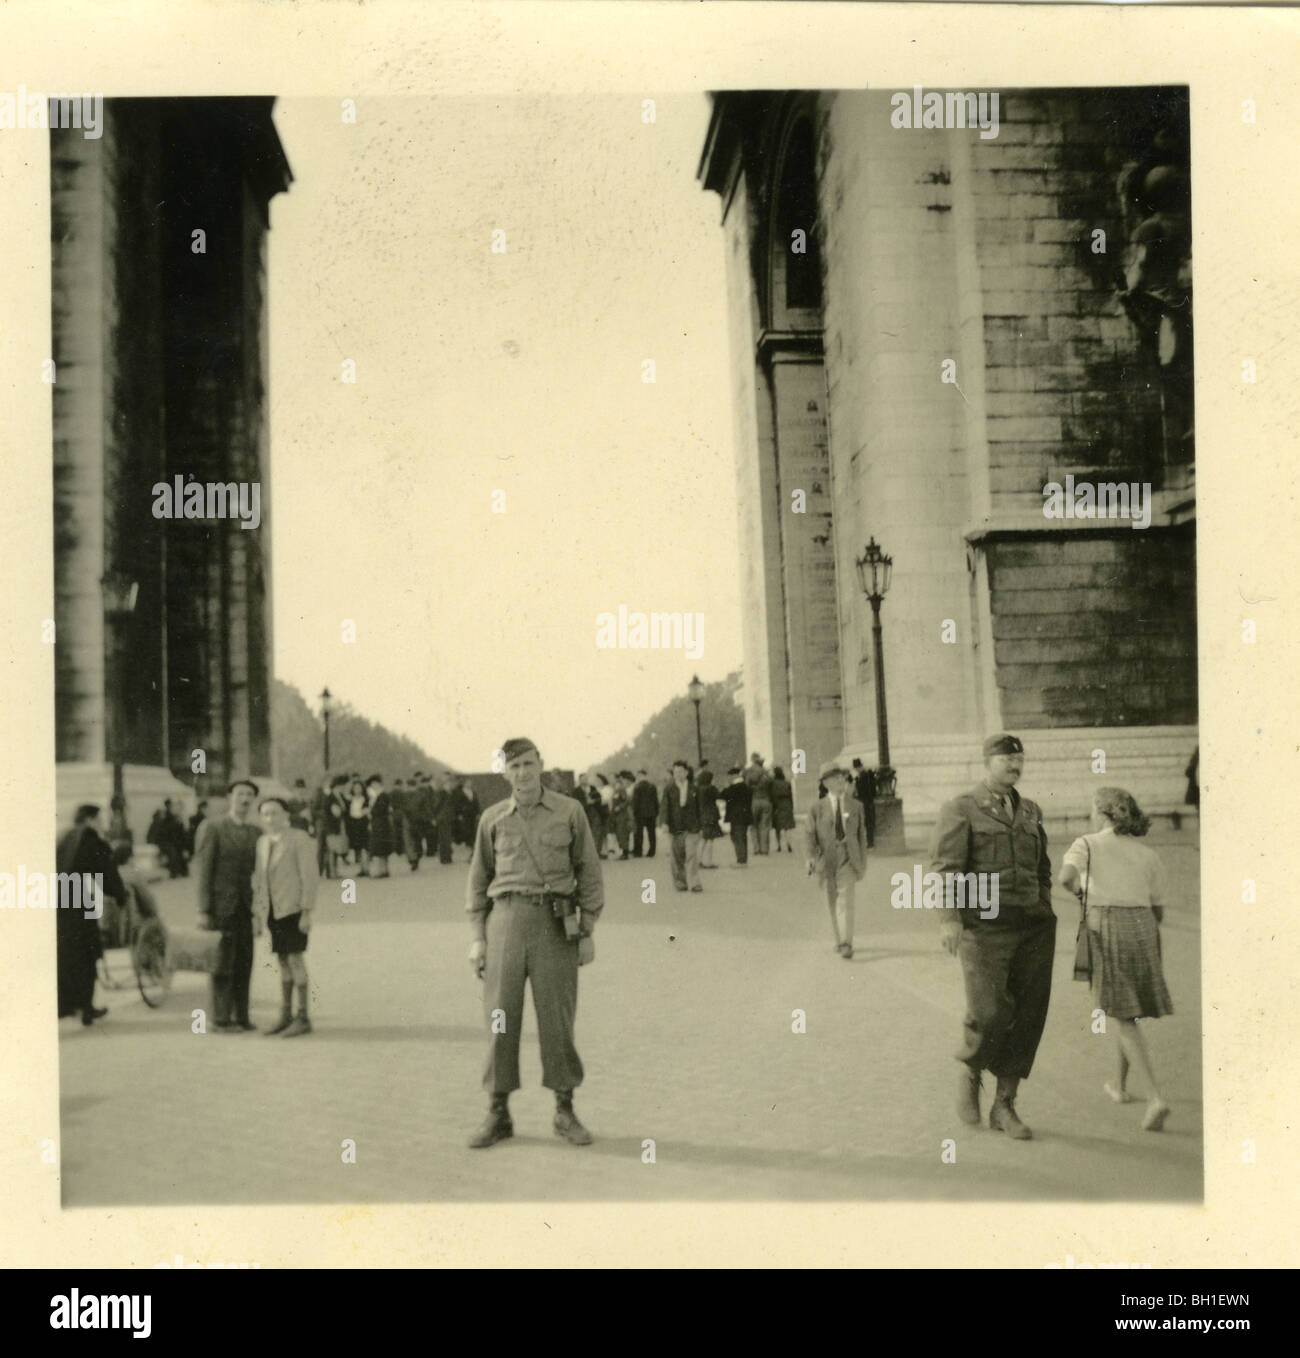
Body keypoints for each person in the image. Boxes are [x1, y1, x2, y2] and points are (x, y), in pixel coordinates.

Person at [466, 738, 603, 1148]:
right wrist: (477, 938)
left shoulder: (569, 811)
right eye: (514, 767)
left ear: (541, 764)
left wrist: (587, 929)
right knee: (500, 1019)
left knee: (557, 1020)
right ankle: (498, 1112)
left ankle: (564, 1110)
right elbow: (477, 882)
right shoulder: (492, 818)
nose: (522, 773)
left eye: (528, 764)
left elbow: (589, 872)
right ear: (504, 773)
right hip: (504, 921)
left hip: (554, 923)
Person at [929, 734, 1055, 1140]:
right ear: (987, 762)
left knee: (1028, 1016)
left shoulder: (1031, 810)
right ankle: (971, 1069)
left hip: (1033, 926)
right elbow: (946, 867)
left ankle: (1005, 1105)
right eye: (1006, 760)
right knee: (990, 1011)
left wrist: (1045, 903)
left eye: (1019, 760)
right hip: (985, 926)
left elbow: (1043, 868)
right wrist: (950, 919)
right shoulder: (962, 808)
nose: (1014, 766)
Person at [1060, 787, 1173, 1131]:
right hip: (1144, 926)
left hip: (1106, 923)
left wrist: (1084, 893)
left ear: (1103, 814)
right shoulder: (1146, 853)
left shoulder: (1087, 843)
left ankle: (1156, 1097)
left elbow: (1065, 878)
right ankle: (1119, 1085)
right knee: (1128, 1009)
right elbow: (1159, 909)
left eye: (1093, 810)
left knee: (1122, 1014)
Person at [194, 778, 264, 1032]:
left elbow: (260, 875)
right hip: (220, 907)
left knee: (245, 961)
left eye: (249, 795)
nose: (244, 799)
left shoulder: (257, 833)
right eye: (239, 794)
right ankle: (219, 1019)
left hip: (246, 907)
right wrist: (203, 909)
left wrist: (259, 911)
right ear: (229, 797)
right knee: (222, 963)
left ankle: (242, 1017)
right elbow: (204, 871)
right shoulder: (213, 827)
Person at [253, 796, 319, 1037]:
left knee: (295, 960)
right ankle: (285, 1015)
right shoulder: (262, 842)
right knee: (282, 961)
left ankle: (303, 1017)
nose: (270, 818)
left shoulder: (299, 839)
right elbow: (259, 880)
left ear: (285, 815)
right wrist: (258, 913)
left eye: (275, 813)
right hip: (273, 911)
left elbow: (309, 877)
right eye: (266, 814)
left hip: (293, 910)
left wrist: (306, 912)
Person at [55, 804, 125, 1025]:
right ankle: (86, 1008)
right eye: (99, 818)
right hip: (79, 905)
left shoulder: (64, 837)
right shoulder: (90, 840)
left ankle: (65, 1006)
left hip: (56, 904)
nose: (102, 822)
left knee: (65, 956)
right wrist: (121, 895)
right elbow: (106, 874)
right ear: (89, 819)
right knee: (87, 953)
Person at [806, 761, 868, 959]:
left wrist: (861, 862)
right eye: (835, 777)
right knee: (831, 901)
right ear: (826, 783)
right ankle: (838, 938)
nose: (841, 780)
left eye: (842, 776)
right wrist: (810, 857)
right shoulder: (817, 808)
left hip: (848, 858)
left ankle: (846, 942)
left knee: (846, 901)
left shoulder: (856, 806)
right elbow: (809, 835)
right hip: (827, 859)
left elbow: (861, 836)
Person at [660, 759, 703, 893]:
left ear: (686, 772)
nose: (677, 774)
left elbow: (700, 807)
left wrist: (701, 825)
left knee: (691, 854)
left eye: (680, 771)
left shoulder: (694, 787)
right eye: (675, 772)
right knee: (676, 857)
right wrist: (664, 823)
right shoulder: (669, 788)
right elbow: (664, 807)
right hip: (675, 827)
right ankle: (680, 882)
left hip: (692, 827)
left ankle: (694, 883)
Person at [719, 766, 752, 867]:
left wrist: (726, 786)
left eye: (730, 776)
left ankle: (741, 861)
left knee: (737, 838)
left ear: (734, 775)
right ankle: (743, 860)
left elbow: (722, 795)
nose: (729, 778)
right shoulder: (745, 786)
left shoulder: (734, 787)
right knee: (742, 837)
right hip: (744, 815)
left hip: (737, 816)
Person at [365, 774, 395, 878]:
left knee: (380, 848)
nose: (373, 786)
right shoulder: (380, 796)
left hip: (380, 824)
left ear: (378, 784)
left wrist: (370, 811)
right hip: (381, 824)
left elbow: (380, 810)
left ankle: (382, 870)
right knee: (382, 849)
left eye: (374, 784)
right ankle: (384, 870)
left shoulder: (382, 796)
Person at [745, 753, 774, 855]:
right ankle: (765, 849)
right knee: (765, 826)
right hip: (766, 800)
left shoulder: (750, 771)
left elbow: (747, 785)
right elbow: (771, 784)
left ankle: (756, 849)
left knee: (753, 826)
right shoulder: (766, 772)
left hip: (755, 800)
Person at [696, 768, 722, 868]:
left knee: (703, 839)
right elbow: (719, 796)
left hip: (703, 816)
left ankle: (698, 861)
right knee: (710, 840)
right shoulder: (711, 788)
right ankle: (708, 862)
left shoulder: (698, 789)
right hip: (711, 816)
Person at [631, 770, 659, 858]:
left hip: (640, 814)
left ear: (639, 776)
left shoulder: (637, 787)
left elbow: (635, 802)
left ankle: (638, 852)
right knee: (651, 833)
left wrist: (634, 812)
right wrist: (656, 812)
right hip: (651, 813)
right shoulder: (652, 786)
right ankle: (652, 851)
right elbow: (656, 801)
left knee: (639, 833)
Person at [345, 776, 370, 874]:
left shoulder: (365, 799)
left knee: (365, 846)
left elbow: (366, 811)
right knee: (357, 847)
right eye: (355, 788)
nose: (357, 790)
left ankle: (366, 867)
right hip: (353, 824)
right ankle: (361, 868)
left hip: (363, 823)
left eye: (359, 788)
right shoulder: (350, 799)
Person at [851, 758, 877, 848]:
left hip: (865, 802)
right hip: (865, 802)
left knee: (867, 823)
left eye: (856, 768)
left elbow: (864, 791)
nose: (856, 770)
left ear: (858, 767)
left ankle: (870, 843)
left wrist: (856, 795)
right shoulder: (863, 776)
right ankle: (869, 843)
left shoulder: (864, 776)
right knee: (866, 823)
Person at [770, 766, 795, 853]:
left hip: (778, 805)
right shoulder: (787, 783)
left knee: (778, 827)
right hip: (787, 804)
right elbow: (791, 796)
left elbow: (772, 796)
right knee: (787, 827)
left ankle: (779, 846)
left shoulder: (773, 783)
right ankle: (789, 844)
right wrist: (792, 807)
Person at [435, 772, 458, 864]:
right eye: (448, 784)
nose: (449, 785)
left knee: (447, 838)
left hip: (448, 818)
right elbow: (437, 805)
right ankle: (444, 857)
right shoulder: (441, 793)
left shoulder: (450, 793)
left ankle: (447, 857)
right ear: (445, 784)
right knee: (443, 838)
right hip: (442, 818)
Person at [611, 772, 635, 860]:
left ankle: (625, 853)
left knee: (623, 834)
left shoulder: (621, 789)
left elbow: (627, 801)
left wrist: (620, 807)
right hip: (617, 816)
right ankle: (623, 852)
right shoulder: (616, 790)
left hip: (622, 816)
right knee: (619, 834)